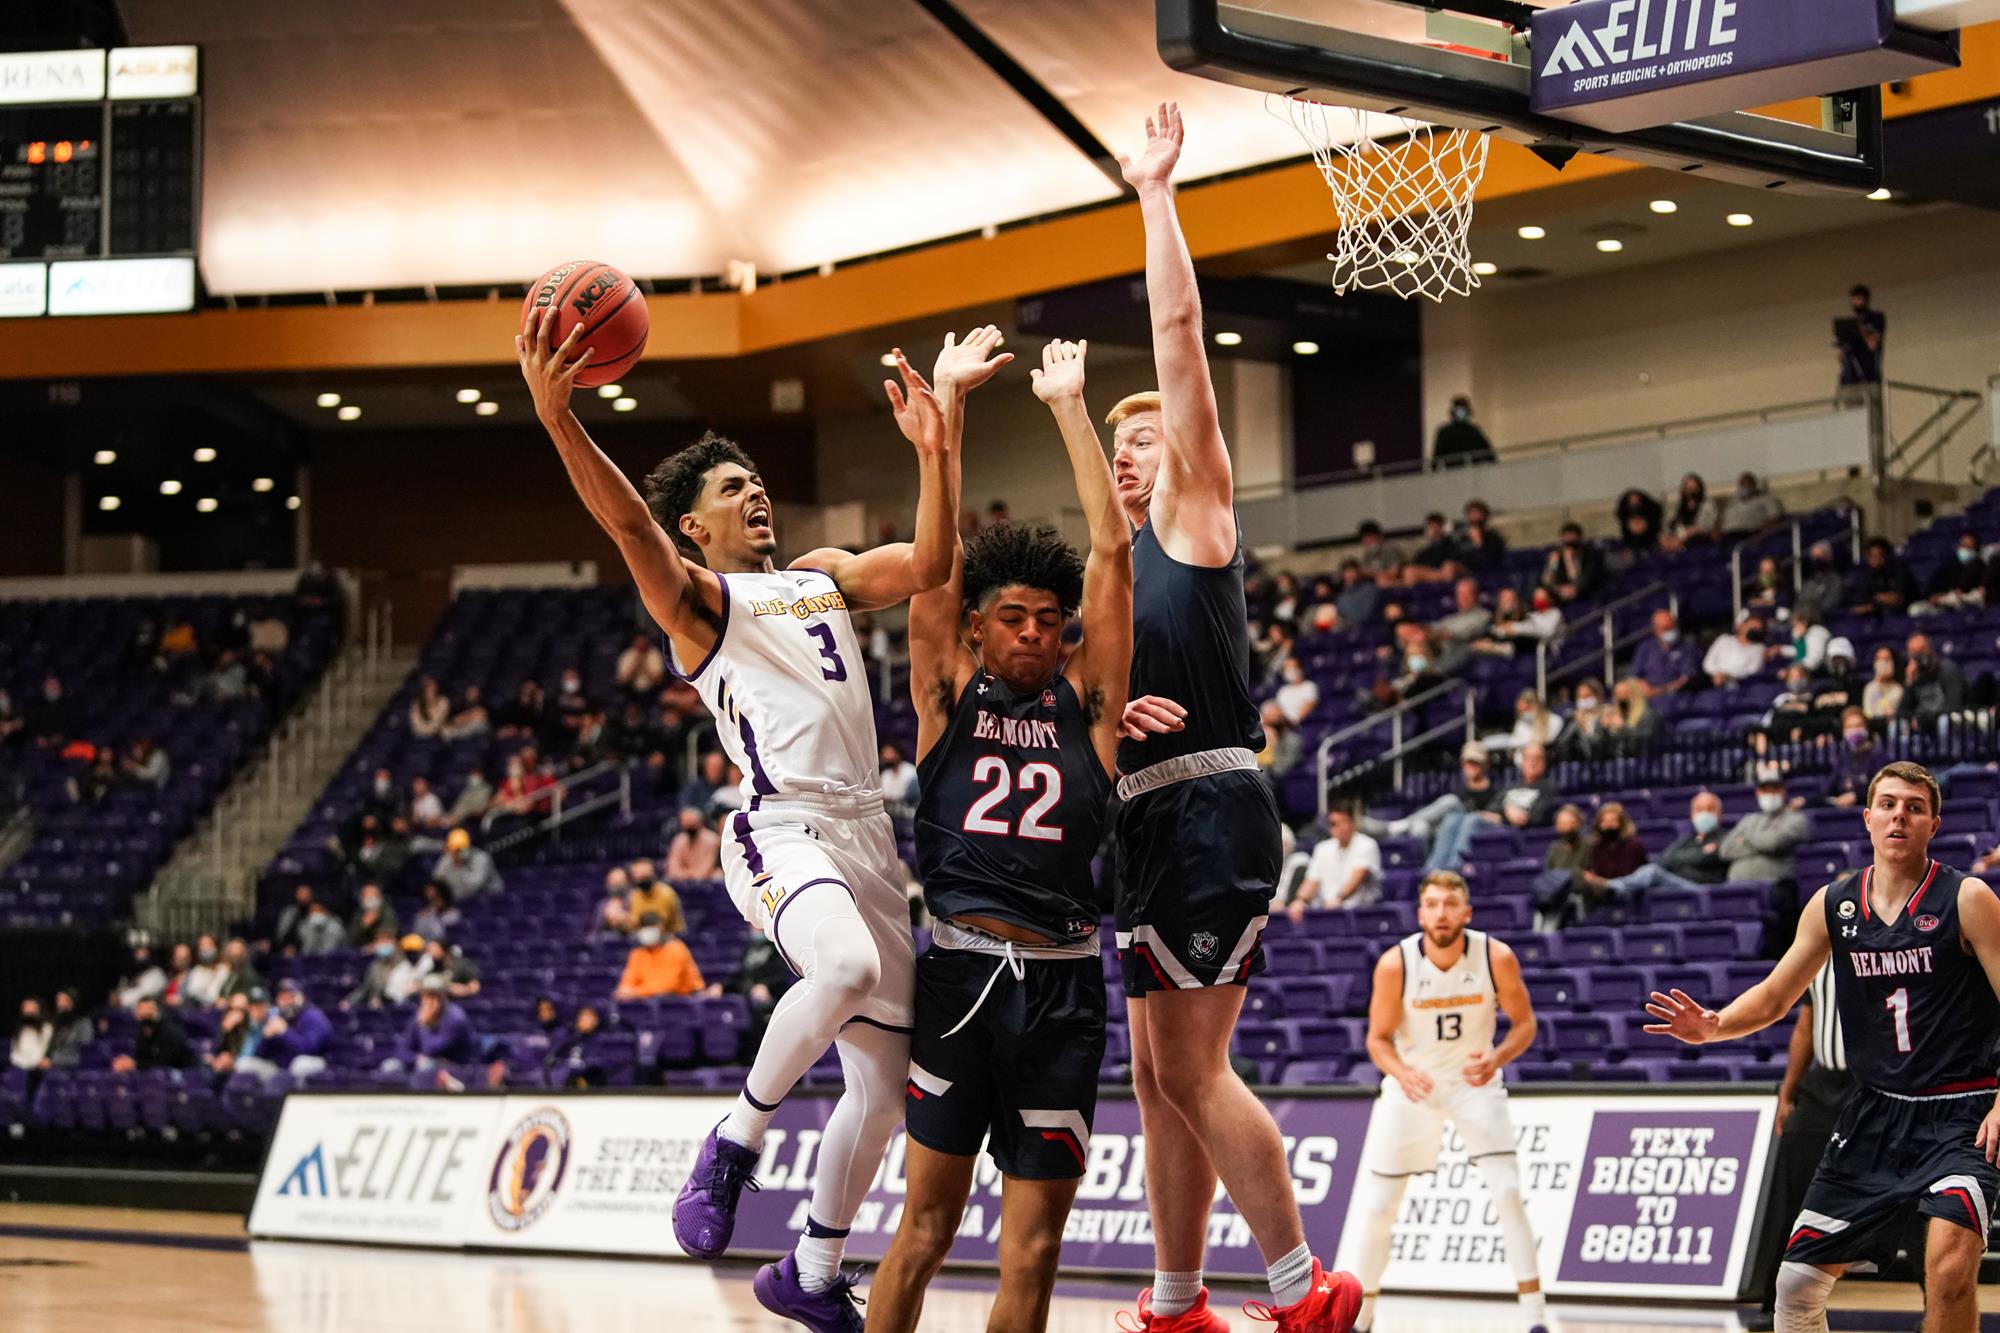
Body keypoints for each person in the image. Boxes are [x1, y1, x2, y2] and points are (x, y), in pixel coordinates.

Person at [521, 305, 1005, 1326]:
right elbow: (628, 525)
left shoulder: (819, 576)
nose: (754, 492)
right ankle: (733, 1141)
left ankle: (812, 1270)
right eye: (730, 488)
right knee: (845, 967)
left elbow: (929, 562)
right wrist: (559, 420)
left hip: (868, 837)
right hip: (780, 827)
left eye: (754, 480)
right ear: (694, 527)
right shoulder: (698, 601)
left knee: (886, 1086)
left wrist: (939, 440)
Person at [1098, 106, 1362, 1332]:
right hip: (1145, 820)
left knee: (1193, 1068)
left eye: (1145, 434)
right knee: (1154, 1075)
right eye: (1116, 444)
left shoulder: (1194, 514)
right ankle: (1174, 1301)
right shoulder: (1116, 564)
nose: (1130, 452)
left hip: (1208, 801)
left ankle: (1306, 1290)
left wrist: (1153, 196)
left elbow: (1176, 337)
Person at [870, 335, 1131, 1333]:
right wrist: (947, 417)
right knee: (925, 1229)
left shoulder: (1090, 706)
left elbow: (1112, 553)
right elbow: (934, 568)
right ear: (977, 629)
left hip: (1064, 991)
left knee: (1034, 1251)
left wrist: (1069, 409)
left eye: (1049, 620)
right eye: (1013, 616)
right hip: (960, 978)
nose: (1033, 631)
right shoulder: (944, 689)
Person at [1643, 763, 1998, 1333]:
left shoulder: (1968, 897)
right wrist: (1715, 1025)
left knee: (1949, 1271)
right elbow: (1774, 997)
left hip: (1963, 1110)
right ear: (1867, 818)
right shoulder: (1834, 905)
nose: (1899, 816)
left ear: (1934, 824)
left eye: (1914, 807)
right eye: (1888, 805)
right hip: (1877, 1111)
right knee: (1796, 1286)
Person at [1344, 871, 1545, 1333]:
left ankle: (1536, 1318)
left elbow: (1525, 1024)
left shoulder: (1496, 957)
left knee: (1508, 1193)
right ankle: (1363, 1319)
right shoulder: (1395, 964)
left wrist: (1497, 1057)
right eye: (1432, 904)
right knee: (1378, 1206)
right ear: (1420, 914)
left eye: (1450, 904)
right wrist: (1402, 1073)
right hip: (1414, 1086)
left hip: (1474, 1084)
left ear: (1466, 912)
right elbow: (1377, 1040)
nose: (1441, 913)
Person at [1740, 962, 1853, 1331]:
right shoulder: (1819, 953)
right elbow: (1806, 1025)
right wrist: (1788, 1092)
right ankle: (1772, 1304)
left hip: (1874, 1083)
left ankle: (1935, 1306)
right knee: (1791, 1191)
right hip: (1822, 1085)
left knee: (1911, 1195)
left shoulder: (1887, 946)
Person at [1288, 807, 1382, 917]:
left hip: (1361, 913)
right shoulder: (1322, 848)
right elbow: (1312, 880)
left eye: (1343, 822)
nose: (1339, 827)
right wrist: (1301, 900)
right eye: (1334, 824)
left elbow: (1357, 878)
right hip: (1330, 911)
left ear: (1353, 823)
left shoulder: (1367, 844)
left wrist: (1339, 899)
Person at [1722, 776, 1810, 886]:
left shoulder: (1796, 819)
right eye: (1765, 790)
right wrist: (1762, 842)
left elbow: (1773, 843)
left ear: (1783, 792)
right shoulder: (1749, 819)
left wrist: (1746, 838)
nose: (1770, 794)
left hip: (1775, 885)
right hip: (1738, 886)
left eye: (1774, 789)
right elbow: (1725, 850)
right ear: (1758, 793)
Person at [382, 977, 481, 1074]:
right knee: (390, 1066)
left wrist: (423, 1025)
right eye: (425, 996)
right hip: (430, 1062)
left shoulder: (456, 1017)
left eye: (434, 997)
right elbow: (401, 1048)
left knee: (425, 1066)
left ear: (443, 999)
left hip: (459, 1067)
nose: (428, 1001)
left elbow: (432, 1050)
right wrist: (416, 1058)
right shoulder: (420, 1015)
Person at [1574, 801, 1648, 916]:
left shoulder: (1634, 845)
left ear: (1622, 823)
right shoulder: (1595, 847)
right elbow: (1593, 872)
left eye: (1613, 821)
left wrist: (1601, 881)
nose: (1608, 825)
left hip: (1629, 890)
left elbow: (1629, 874)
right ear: (1599, 825)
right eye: (1605, 821)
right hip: (1602, 891)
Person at [614, 913, 705, 1000]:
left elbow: (670, 984)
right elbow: (628, 979)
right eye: (644, 927)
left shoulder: (675, 948)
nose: (647, 932)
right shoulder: (637, 952)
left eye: (651, 927)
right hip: (649, 998)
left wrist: (636, 992)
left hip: (683, 998)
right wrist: (623, 991)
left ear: (661, 927)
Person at [1899, 632, 1967, 725]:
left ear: (1931, 649)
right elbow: (1903, 713)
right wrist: (1909, 681)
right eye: (1914, 652)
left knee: (1944, 721)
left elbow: (1953, 707)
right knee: (1898, 725)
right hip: (1921, 724)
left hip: (1944, 723)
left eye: (1922, 649)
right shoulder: (1914, 675)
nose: (1919, 655)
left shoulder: (1948, 670)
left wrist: (1923, 721)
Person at [1847, 538, 1919, 618]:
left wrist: (1877, 601)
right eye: (1871, 556)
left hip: (1906, 609)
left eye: (1879, 555)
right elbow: (1865, 598)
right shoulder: (1869, 574)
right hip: (1880, 609)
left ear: (1887, 555)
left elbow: (1898, 598)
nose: (1875, 559)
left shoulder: (1899, 570)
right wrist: (1877, 601)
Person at [115, 997, 192, 1072]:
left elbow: (165, 1063)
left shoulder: (171, 1032)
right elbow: (140, 1057)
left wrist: (135, 1064)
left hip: (184, 1074)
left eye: (149, 1013)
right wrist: (127, 1063)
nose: (145, 1016)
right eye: (142, 1013)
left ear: (157, 1012)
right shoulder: (141, 1033)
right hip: (158, 1075)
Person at [1920, 531, 1989, 613]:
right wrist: (1935, 596)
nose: (1964, 549)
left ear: (1976, 550)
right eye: (1962, 546)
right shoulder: (1949, 566)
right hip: (1942, 602)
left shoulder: (1980, 567)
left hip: (1967, 603)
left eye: (1968, 547)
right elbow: (1931, 589)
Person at [1539, 522, 1604, 604]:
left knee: (1571, 592)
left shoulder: (1589, 556)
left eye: (1572, 540)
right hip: (1560, 591)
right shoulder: (1557, 556)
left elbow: (1581, 582)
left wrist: (1569, 561)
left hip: (1581, 591)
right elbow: (1547, 581)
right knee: (1540, 594)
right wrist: (1552, 564)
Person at [1835, 283, 1886, 387]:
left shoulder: (1876, 318)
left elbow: (1872, 345)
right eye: (1853, 300)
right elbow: (1841, 356)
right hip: (1850, 378)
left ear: (1866, 300)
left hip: (1870, 376)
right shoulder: (1851, 323)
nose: (1855, 303)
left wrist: (1860, 327)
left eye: (1858, 299)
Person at [431, 827, 502, 899]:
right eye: (454, 850)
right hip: (461, 897)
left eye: (460, 850)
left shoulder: (482, 858)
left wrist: (459, 866)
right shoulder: (448, 857)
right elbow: (437, 879)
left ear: (468, 846)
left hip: (489, 897)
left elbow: (474, 886)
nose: (457, 853)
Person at [1661, 472, 1722, 550]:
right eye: (1686, 487)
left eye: (1692, 488)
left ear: (1699, 489)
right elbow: (1668, 525)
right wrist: (1666, 538)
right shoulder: (1677, 507)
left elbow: (1704, 526)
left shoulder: (1707, 505)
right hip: (1675, 541)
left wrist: (1684, 535)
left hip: (1698, 542)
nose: (1689, 490)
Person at [1431, 395, 1495, 467]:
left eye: (1464, 410)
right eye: (1459, 410)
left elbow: (1488, 454)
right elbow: (1437, 458)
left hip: (1472, 471)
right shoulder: (1444, 432)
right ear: (1453, 412)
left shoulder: (1475, 431)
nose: (1461, 413)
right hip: (1452, 471)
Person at [1705, 616, 1768, 688]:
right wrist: (1718, 674)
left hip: (1741, 687)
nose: (1754, 630)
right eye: (1751, 626)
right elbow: (1708, 662)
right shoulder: (1724, 639)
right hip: (1713, 681)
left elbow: (1753, 670)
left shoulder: (1759, 648)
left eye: (1757, 629)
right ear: (1742, 626)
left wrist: (1728, 676)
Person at [625, 859, 686, 934]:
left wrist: (633, 921)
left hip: (671, 935)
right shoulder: (635, 895)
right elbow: (634, 922)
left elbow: (658, 924)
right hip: (644, 935)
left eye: (645, 876)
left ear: (652, 874)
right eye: (639, 878)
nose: (642, 880)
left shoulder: (665, 893)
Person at [665, 807, 723, 880]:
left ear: (700, 822)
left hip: (706, 877)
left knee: (717, 876)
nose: (689, 826)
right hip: (682, 877)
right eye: (686, 824)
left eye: (692, 824)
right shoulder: (679, 840)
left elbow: (708, 866)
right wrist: (685, 875)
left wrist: (692, 875)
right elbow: (673, 866)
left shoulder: (711, 839)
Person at [1721, 472, 1784, 538]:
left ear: (1754, 485)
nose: (1745, 486)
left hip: (1749, 534)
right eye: (1742, 484)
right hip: (1726, 534)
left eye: (1748, 483)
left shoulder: (1766, 499)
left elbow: (1776, 518)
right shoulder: (1733, 502)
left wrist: (1762, 533)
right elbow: (1723, 520)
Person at [617, 631, 667, 699]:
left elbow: (658, 680)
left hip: (653, 691)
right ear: (634, 642)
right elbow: (622, 680)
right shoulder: (628, 654)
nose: (641, 644)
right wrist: (636, 665)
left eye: (643, 641)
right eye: (639, 641)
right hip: (631, 690)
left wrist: (643, 664)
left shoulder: (655, 654)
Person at [347, 882, 399, 948]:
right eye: (366, 896)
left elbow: (387, 937)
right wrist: (362, 925)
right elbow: (349, 939)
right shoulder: (359, 913)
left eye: (373, 896)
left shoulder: (387, 912)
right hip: (361, 950)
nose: (370, 899)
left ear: (380, 897)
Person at [1355, 520, 1406, 585]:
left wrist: (1374, 573)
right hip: (1375, 583)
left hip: (1396, 582)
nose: (1366, 542)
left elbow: (1394, 573)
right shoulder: (1368, 553)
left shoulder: (1390, 549)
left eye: (1370, 538)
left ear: (1378, 536)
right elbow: (1363, 570)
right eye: (1364, 539)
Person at [1616, 487, 1664, 552]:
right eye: (1633, 521)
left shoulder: (1661, 546)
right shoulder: (1621, 547)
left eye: (1639, 521)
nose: (1636, 523)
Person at [1863, 646, 1904, 720]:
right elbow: (1868, 713)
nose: (1883, 663)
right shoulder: (1870, 687)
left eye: (1887, 659)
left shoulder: (1899, 689)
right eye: (1879, 659)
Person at [877, 743, 921, 813]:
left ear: (897, 754)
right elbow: (883, 794)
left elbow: (909, 796)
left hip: (909, 811)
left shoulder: (910, 771)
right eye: (884, 754)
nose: (886, 756)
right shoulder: (885, 774)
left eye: (889, 753)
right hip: (890, 812)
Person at [10, 998, 51, 1070]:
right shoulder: (19, 1029)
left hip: (36, 1069)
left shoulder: (46, 1028)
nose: (28, 1011)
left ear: (38, 1009)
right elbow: (14, 1055)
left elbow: (40, 1054)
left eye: (31, 1007)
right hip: (18, 1066)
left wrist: (34, 1063)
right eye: (25, 1008)